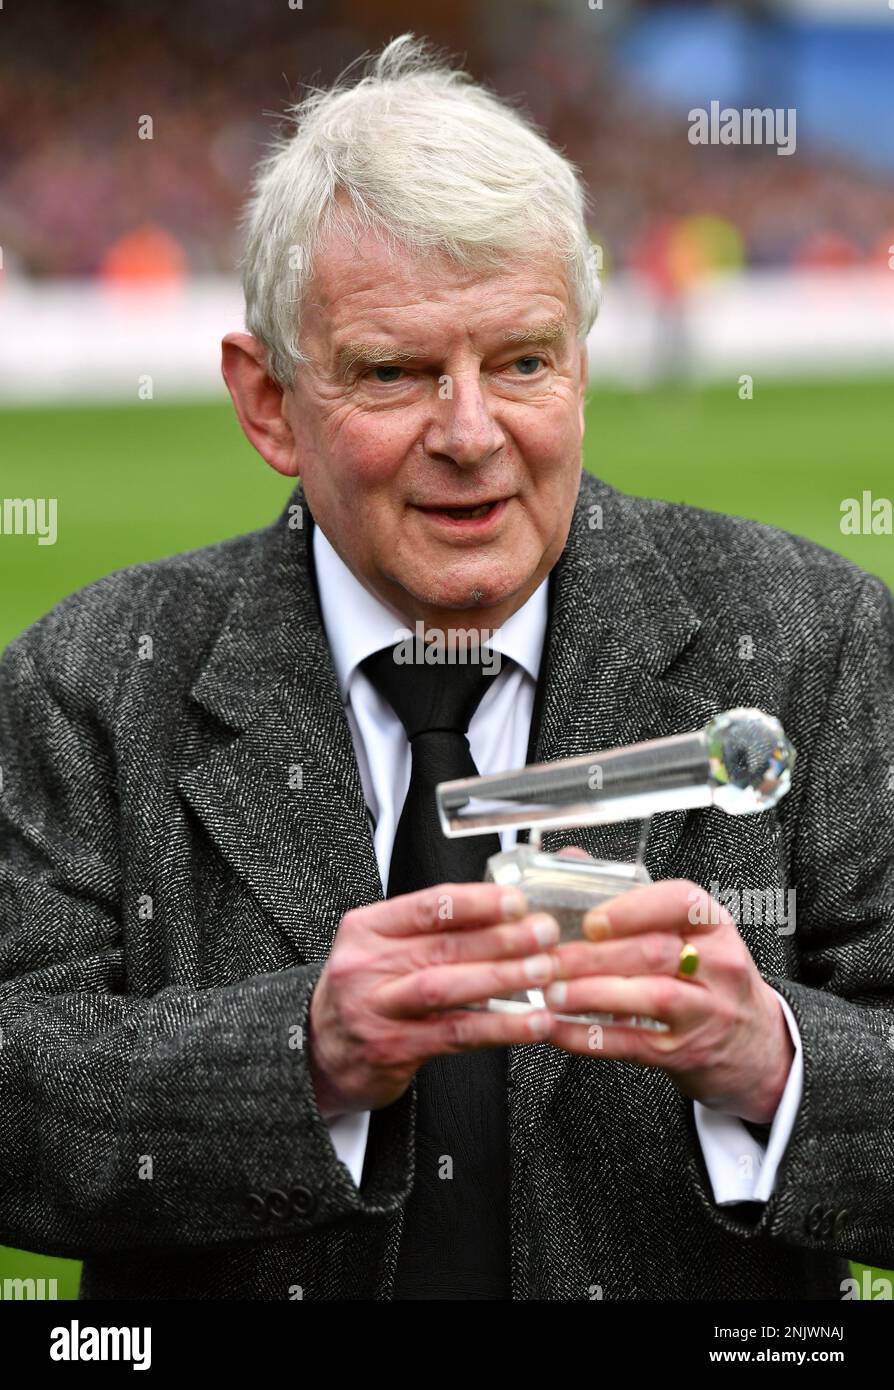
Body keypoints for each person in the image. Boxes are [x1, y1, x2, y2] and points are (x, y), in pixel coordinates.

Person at [1, 34, 892, 1302]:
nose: (471, 434)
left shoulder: (822, 640)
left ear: (582, 363)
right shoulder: (89, 680)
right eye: (395, 372)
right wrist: (293, 1056)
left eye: (523, 360)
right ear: (267, 404)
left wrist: (779, 1061)